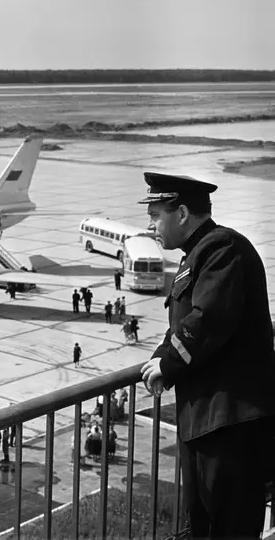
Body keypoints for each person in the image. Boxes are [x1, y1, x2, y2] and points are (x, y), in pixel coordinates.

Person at [138, 172, 275, 538]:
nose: (151, 225)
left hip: (230, 422)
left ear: (181, 213)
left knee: (229, 527)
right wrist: (160, 360)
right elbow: (183, 323)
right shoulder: (197, 254)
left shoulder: (221, 249)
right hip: (206, 421)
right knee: (204, 525)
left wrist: (167, 364)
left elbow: (208, 320)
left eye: (156, 215)